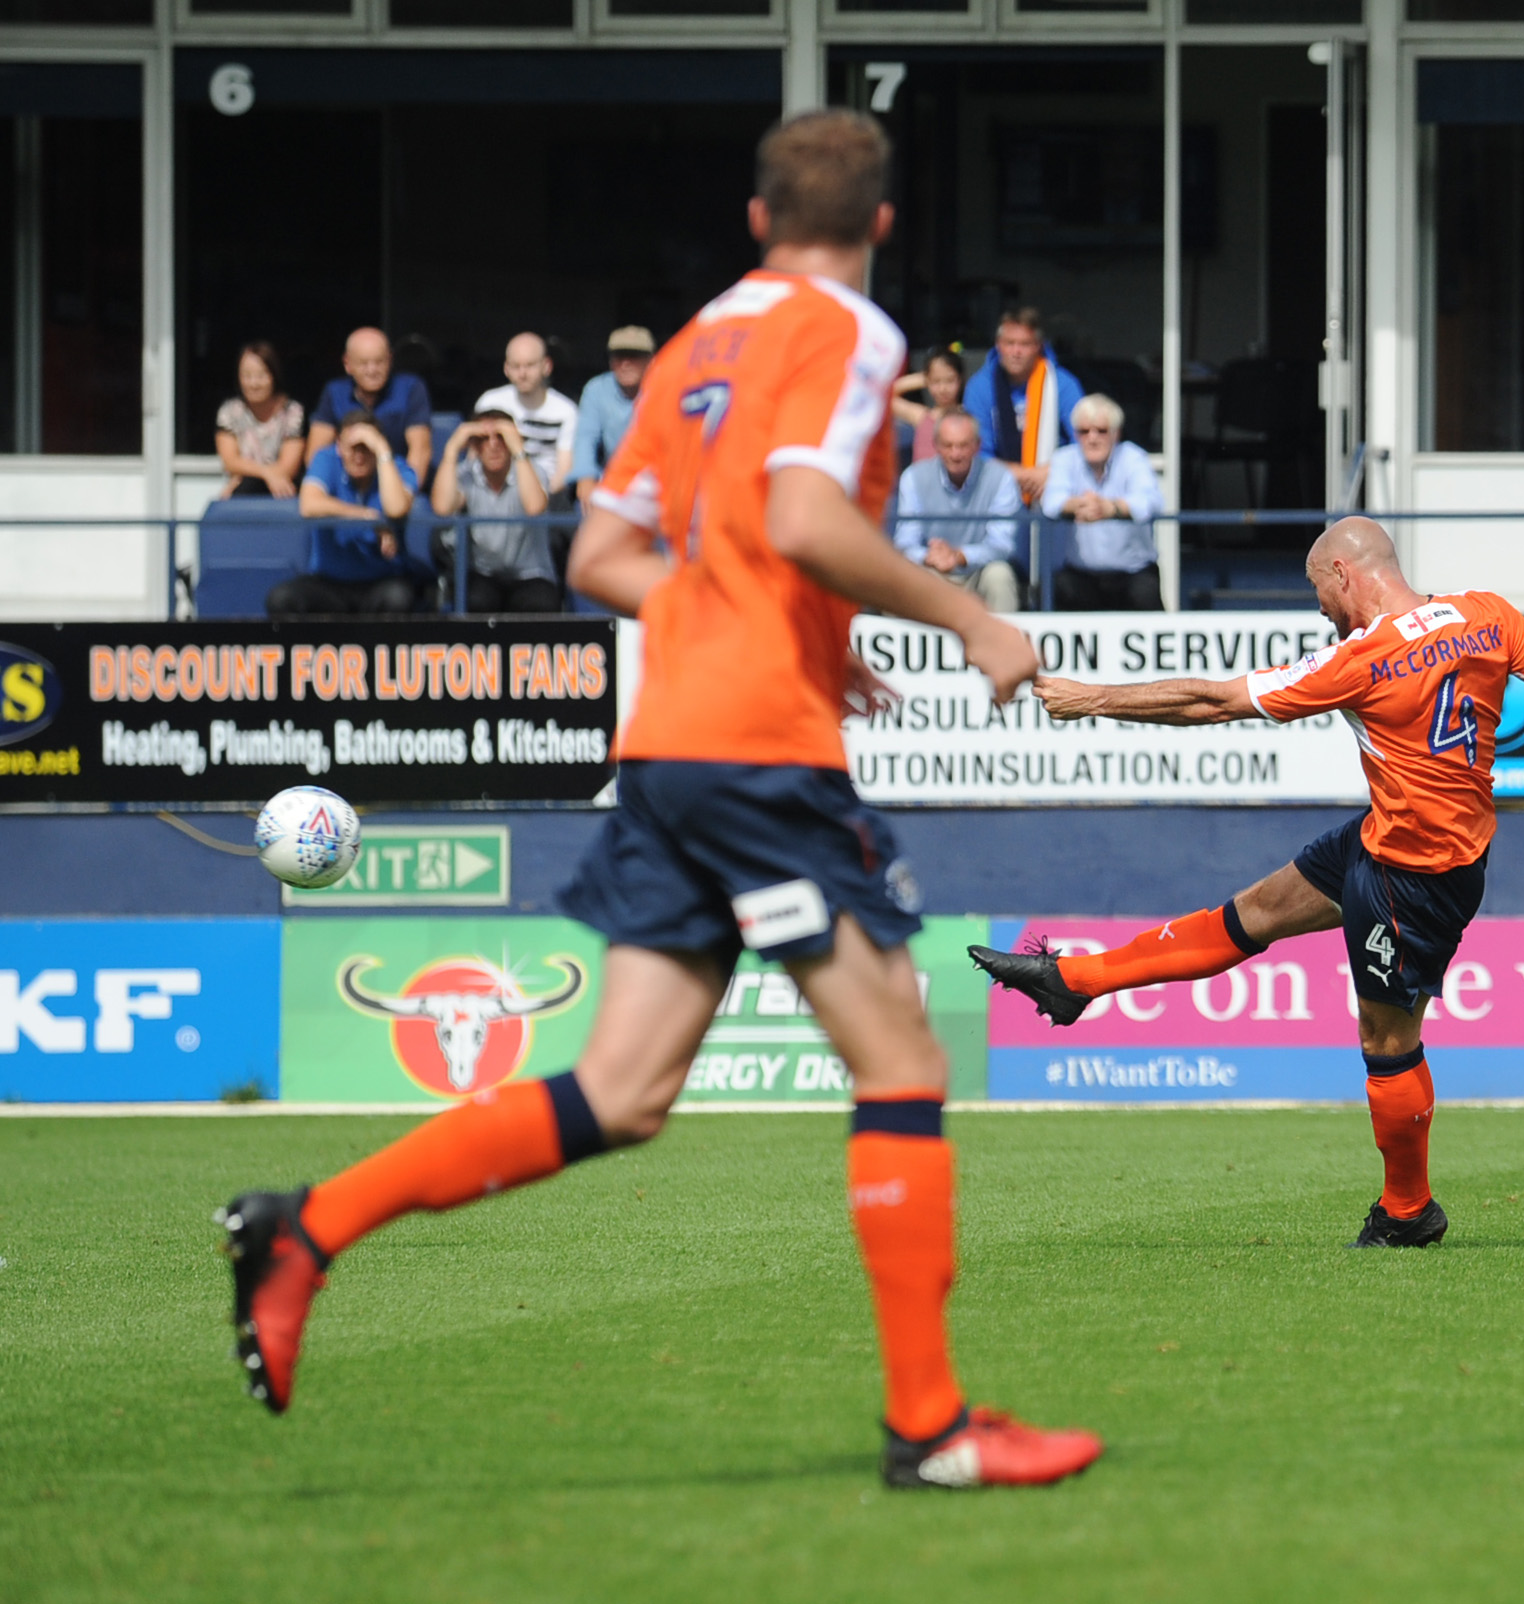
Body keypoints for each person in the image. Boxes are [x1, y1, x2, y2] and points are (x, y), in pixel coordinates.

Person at [217, 108, 1100, 1493]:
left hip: (675, 737)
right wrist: (962, 619)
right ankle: (931, 1428)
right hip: (757, 749)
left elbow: (607, 554)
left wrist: (779, 626)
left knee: (621, 1092)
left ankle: (306, 1228)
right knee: (904, 1065)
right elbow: (806, 519)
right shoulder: (853, 333)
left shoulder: (693, 345)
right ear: (879, 226)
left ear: (754, 220)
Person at [969, 518, 1524, 1248]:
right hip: (1382, 837)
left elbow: (1212, 702)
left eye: (1316, 589)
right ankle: (1074, 981)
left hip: (1418, 874)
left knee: (1386, 1040)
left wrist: (1091, 699)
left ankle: (1408, 1210)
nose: (1318, 605)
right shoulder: (1489, 613)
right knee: (1252, 913)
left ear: (1344, 575)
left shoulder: (1361, 659)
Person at [268, 409, 423, 616]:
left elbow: (396, 508)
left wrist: (381, 449)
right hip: (329, 582)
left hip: (380, 581)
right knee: (281, 598)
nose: (358, 457)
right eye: (352, 448)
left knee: (398, 597)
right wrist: (368, 517)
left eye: (365, 448)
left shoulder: (395, 466)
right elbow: (309, 505)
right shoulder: (326, 459)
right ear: (339, 446)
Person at [1041, 393, 1165, 611]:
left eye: (1101, 430)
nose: (1092, 438)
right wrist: (1079, 506)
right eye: (1084, 431)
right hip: (1082, 576)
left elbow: (1150, 502)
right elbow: (1051, 502)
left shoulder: (1134, 457)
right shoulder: (1065, 458)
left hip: (1133, 574)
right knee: (1060, 586)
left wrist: (1111, 508)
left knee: (1145, 593)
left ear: (1116, 434)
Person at [892, 409, 1022, 612]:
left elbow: (1002, 545)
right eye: (948, 445)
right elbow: (906, 542)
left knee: (1000, 575)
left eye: (963, 445)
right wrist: (930, 557)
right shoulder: (913, 477)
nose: (955, 454)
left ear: (977, 446)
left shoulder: (1001, 478)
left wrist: (959, 556)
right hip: (933, 569)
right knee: (906, 574)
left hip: (979, 571)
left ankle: (1003, 642)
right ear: (935, 445)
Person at [430, 408, 558, 613]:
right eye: (483, 439)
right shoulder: (466, 473)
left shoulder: (531, 470)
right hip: (484, 574)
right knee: (475, 600)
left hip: (531, 575)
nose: (493, 445)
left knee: (540, 603)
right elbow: (442, 508)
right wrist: (452, 449)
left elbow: (534, 507)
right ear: (474, 445)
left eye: (501, 438)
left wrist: (518, 448)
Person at [963, 307, 1081, 503]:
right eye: (1010, 343)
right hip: (996, 490)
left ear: (1038, 346)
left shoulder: (1062, 383)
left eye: (1024, 344)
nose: (1016, 352)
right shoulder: (979, 387)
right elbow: (976, 450)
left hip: (1054, 486)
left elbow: (1083, 440)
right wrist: (1018, 474)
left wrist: (1050, 472)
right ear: (998, 345)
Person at [305, 327, 434, 485]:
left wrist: (406, 492)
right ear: (347, 363)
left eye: (379, 362)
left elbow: (420, 450)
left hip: (398, 483)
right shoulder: (334, 392)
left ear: (390, 359)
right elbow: (316, 452)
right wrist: (324, 489)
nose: (372, 370)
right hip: (347, 488)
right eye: (363, 363)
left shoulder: (411, 388)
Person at [476, 332, 580, 496]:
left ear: (547, 366)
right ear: (506, 368)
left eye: (530, 365)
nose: (522, 373)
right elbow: (474, 459)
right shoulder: (489, 402)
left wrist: (537, 499)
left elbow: (565, 471)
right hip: (495, 496)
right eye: (516, 366)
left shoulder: (566, 410)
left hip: (548, 498)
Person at [569, 326, 655, 506]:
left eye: (634, 356)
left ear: (651, 360)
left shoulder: (665, 388)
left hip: (657, 482)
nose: (625, 363)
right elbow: (586, 438)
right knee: (583, 506)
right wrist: (586, 476)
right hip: (612, 482)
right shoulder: (596, 388)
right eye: (618, 356)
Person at [214, 341, 305, 499]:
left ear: (273, 376)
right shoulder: (229, 412)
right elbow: (230, 462)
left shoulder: (292, 411)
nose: (254, 384)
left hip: (283, 490)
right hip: (242, 489)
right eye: (247, 376)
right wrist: (266, 473)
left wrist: (256, 473)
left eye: (261, 376)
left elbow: (290, 466)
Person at [893, 348, 967, 465]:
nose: (943, 389)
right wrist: (923, 378)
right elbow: (885, 396)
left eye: (950, 380)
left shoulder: (969, 415)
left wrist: (934, 376)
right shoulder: (921, 416)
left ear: (960, 379)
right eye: (936, 382)